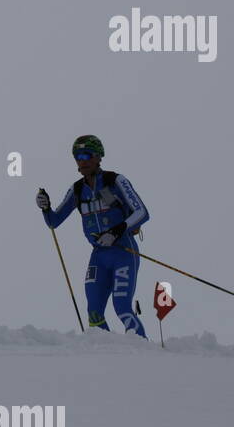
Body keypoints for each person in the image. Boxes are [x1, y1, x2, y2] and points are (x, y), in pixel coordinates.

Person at [37, 135, 150, 336]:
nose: (82, 160)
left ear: (99, 157)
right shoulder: (77, 189)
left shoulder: (115, 180)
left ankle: (143, 353)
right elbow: (54, 222)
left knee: (122, 308)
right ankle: (105, 355)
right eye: (77, 157)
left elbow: (142, 212)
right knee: (94, 312)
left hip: (123, 251)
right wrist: (45, 207)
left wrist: (116, 231)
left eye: (87, 155)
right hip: (98, 256)